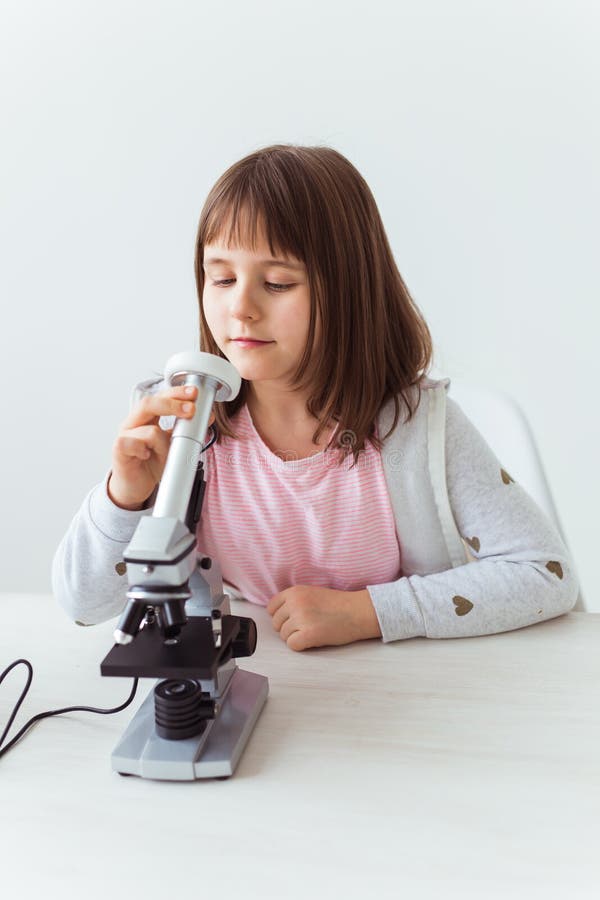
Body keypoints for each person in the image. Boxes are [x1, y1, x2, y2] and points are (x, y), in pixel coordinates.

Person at [51, 143, 579, 651]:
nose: (241, 307)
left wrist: (365, 613)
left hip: (401, 699)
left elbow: (545, 574)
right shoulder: (183, 425)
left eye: (277, 283)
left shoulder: (419, 428)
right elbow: (82, 605)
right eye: (222, 278)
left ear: (348, 289)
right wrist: (125, 498)